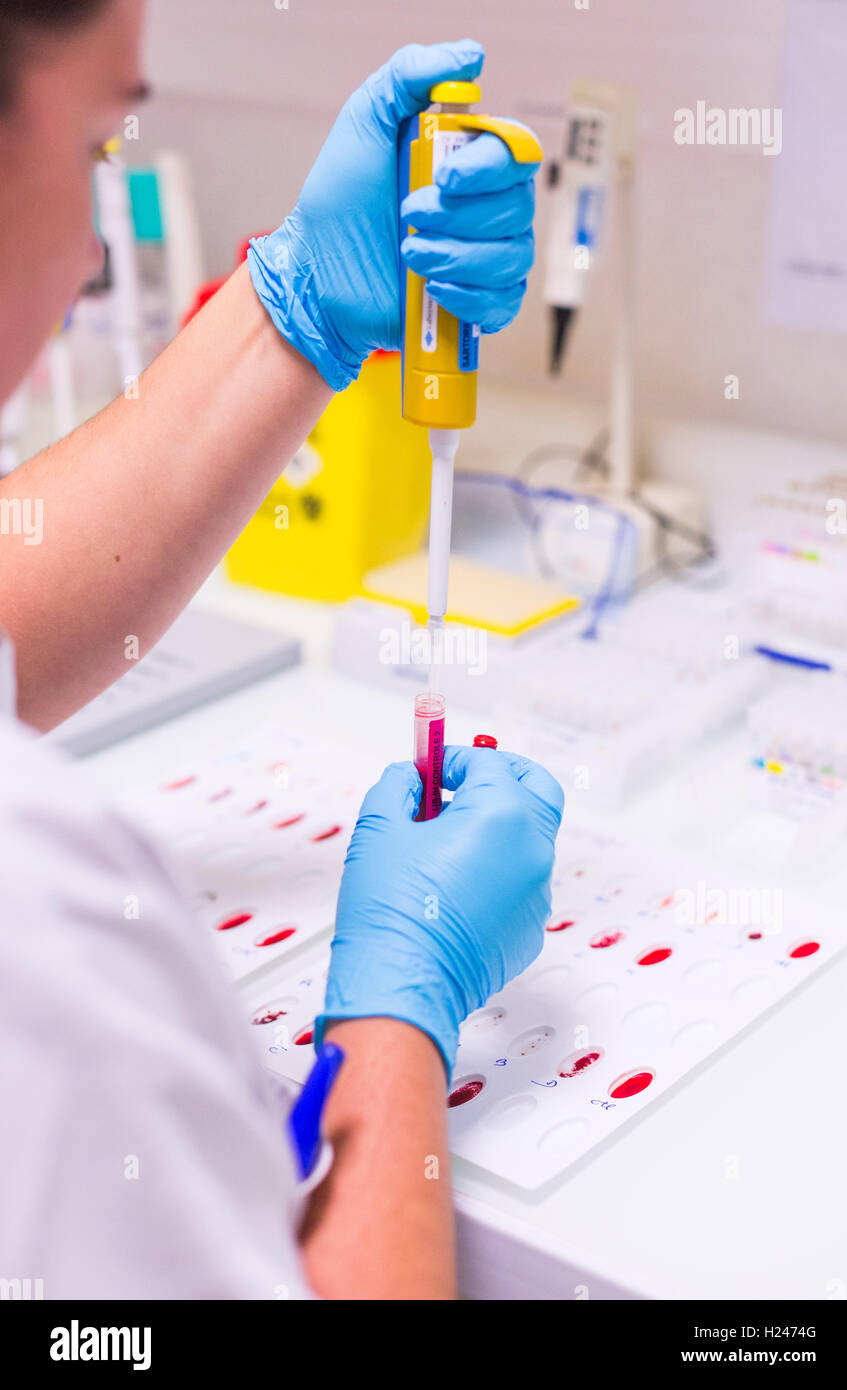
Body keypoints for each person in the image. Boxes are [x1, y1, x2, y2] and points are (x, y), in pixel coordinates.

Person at [0, 0, 563, 1300]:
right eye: (97, 144)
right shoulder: (38, 908)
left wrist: (296, 303)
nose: (95, 241)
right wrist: (395, 1020)